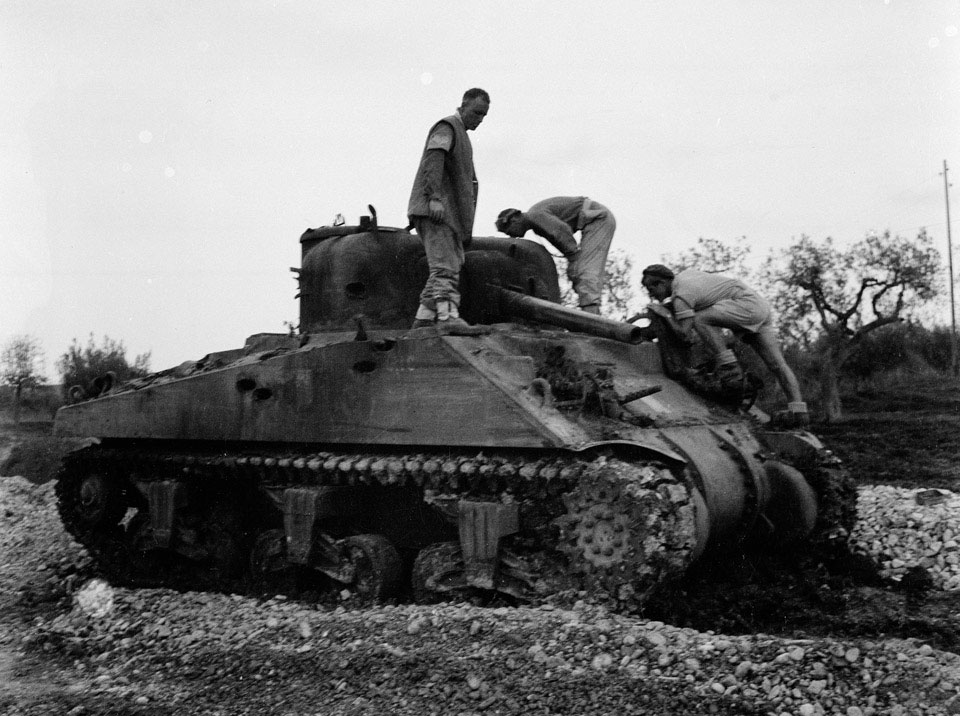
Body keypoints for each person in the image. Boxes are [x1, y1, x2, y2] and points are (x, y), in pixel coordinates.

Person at [640, 264, 809, 426]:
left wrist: (665, 315)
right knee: (777, 364)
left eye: (651, 290)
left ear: (662, 283)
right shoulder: (686, 276)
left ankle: (730, 370)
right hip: (759, 306)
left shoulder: (681, 295)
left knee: (700, 319)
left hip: (745, 305)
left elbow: (684, 333)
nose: (652, 295)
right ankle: (799, 411)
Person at [407, 88, 490, 329]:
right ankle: (447, 317)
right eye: (476, 112)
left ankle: (423, 318)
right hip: (436, 211)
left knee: (448, 264)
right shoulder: (447, 127)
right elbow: (433, 159)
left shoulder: (462, 135)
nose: (480, 119)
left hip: (449, 215)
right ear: (463, 106)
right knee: (445, 267)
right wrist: (433, 197)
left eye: (484, 115)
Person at [495, 197, 616, 315]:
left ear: (515, 219)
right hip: (592, 219)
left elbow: (560, 231)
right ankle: (592, 314)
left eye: (509, 231)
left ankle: (592, 319)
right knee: (576, 272)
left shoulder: (535, 215)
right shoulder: (536, 222)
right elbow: (561, 237)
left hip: (597, 218)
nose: (511, 236)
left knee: (584, 271)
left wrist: (573, 256)